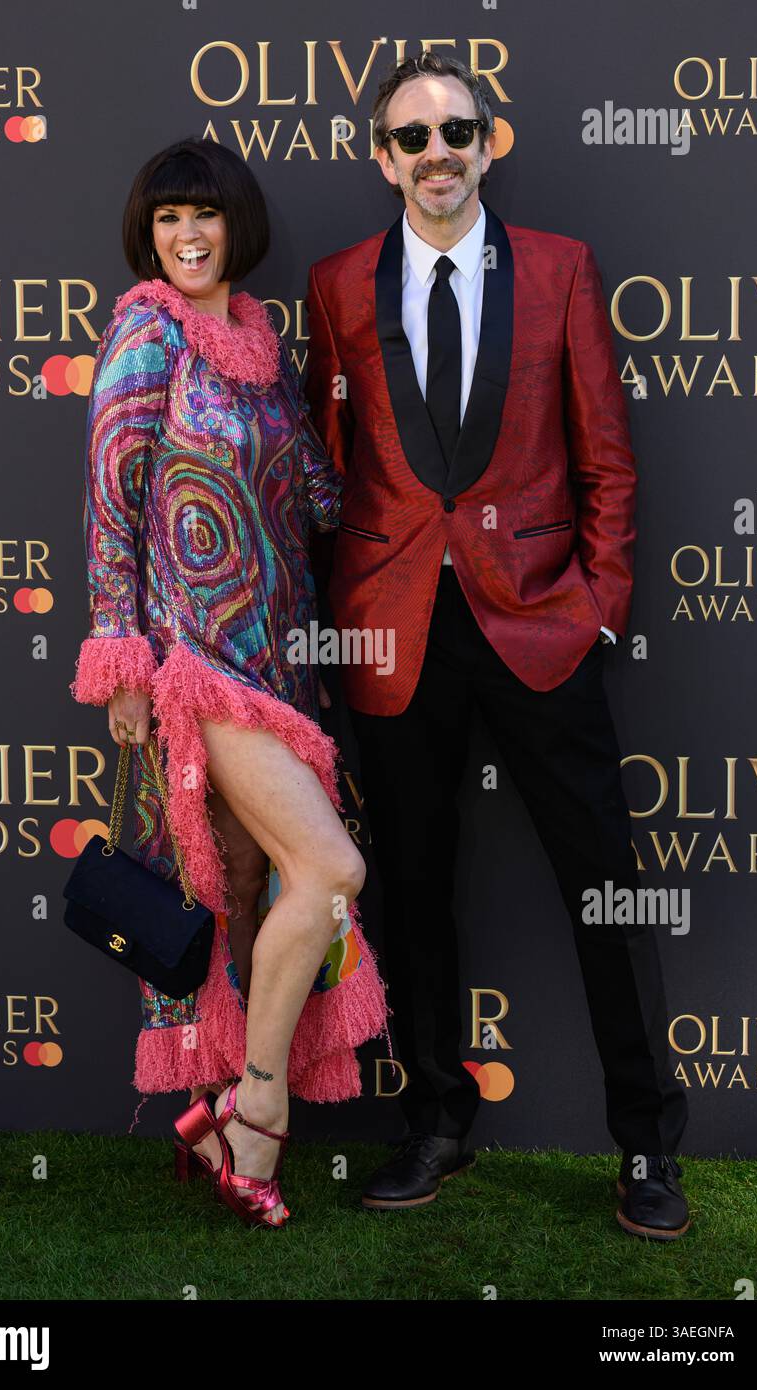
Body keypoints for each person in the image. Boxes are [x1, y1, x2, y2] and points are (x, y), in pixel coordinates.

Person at [304, 53, 689, 1239]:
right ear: (381, 157)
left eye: (456, 131)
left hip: (539, 622)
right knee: (412, 885)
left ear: (490, 141)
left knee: (607, 890)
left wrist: (595, 603)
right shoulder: (334, 286)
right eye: (411, 138)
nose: (436, 154)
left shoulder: (563, 271)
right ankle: (435, 1120)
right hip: (393, 627)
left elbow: (606, 459)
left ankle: (642, 1145)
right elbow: (331, 460)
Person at [69, 137, 388, 1228]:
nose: (187, 234)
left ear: (235, 225)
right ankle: (258, 1112)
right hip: (198, 670)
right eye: (167, 218)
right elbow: (111, 501)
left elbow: (313, 491)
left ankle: (219, 1111)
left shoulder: (257, 336)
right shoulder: (146, 331)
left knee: (243, 895)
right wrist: (120, 654)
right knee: (331, 867)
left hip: (281, 661)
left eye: (203, 214)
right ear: (148, 234)